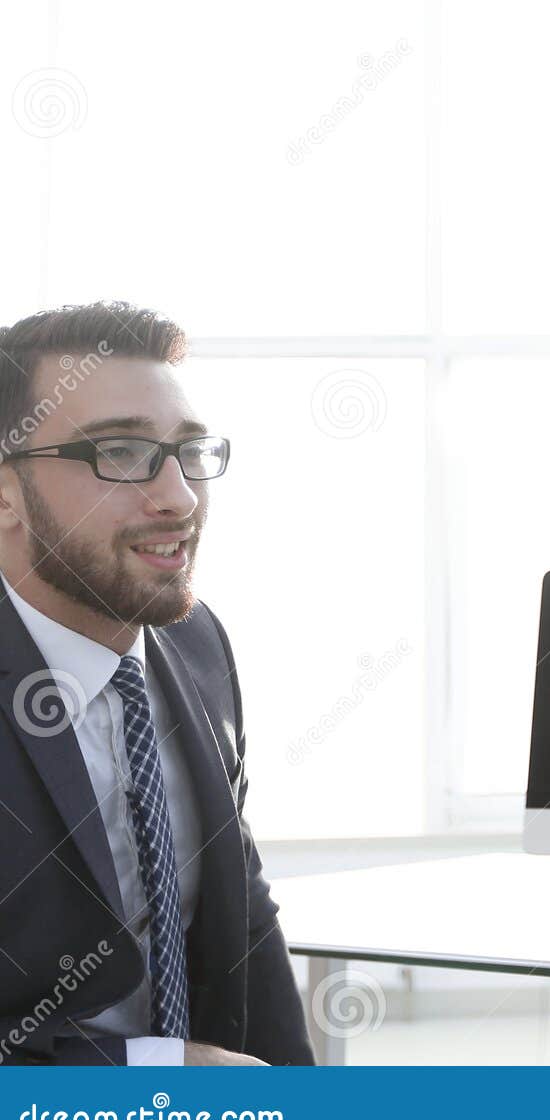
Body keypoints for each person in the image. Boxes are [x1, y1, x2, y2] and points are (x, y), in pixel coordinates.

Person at [0, 302, 311, 1066]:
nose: (179, 496)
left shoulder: (196, 642)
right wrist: (156, 1076)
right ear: (5, 495)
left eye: (188, 451)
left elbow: (242, 918)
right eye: (123, 451)